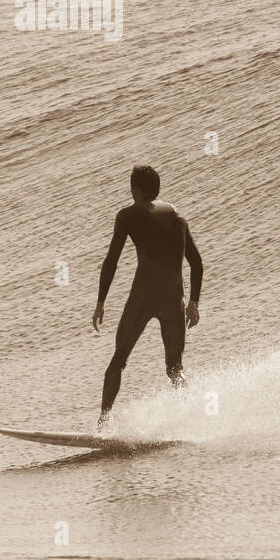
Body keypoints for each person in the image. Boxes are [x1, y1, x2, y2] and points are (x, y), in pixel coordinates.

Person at [92, 165, 203, 430]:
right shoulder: (178, 217)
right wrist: (193, 304)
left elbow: (112, 261)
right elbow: (197, 263)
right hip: (173, 300)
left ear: (135, 190)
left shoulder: (128, 215)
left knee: (118, 360)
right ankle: (192, 420)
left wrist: (100, 303)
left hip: (143, 298)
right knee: (175, 368)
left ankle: (103, 424)